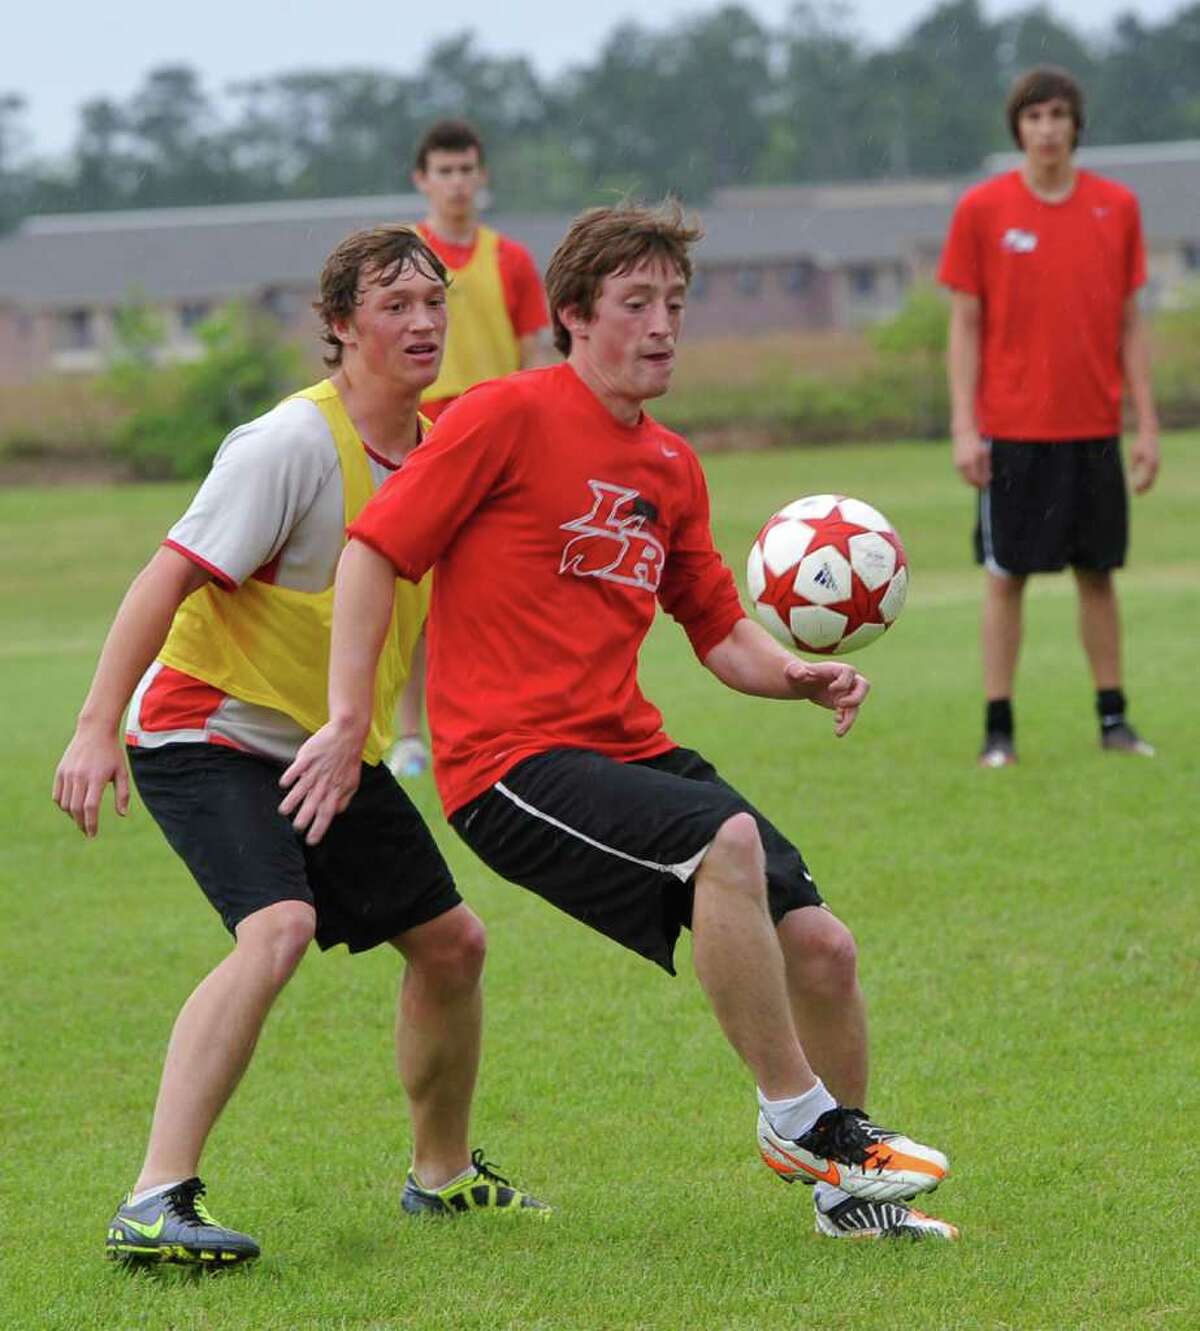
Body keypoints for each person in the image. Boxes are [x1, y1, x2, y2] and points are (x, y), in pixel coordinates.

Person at [280, 202, 959, 1242]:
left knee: (823, 946)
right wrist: (342, 716)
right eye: (635, 303)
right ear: (573, 316)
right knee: (719, 840)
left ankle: (848, 1197)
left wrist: (797, 675)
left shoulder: (672, 467)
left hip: (621, 742)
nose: (661, 326)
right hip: (505, 762)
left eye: (675, 305)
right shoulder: (502, 415)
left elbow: (721, 631)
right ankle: (796, 1117)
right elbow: (375, 549)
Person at [52, 225, 546, 1268]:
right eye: (393, 305)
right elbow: (166, 578)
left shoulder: (441, 446)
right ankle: (154, 1196)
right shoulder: (287, 444)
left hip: (324, 746)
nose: (421, 323)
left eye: (433, 303)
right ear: (338, 325)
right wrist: (96, 725)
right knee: (276, 925)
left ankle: (442, 1177)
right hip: (205, 726)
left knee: (454, 944)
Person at [940, 65, 1160, 768]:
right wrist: (965, 426)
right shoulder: (982, 210)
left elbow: (1130, 324)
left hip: (1094, 428)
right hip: (1011, 431)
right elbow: (965, 326)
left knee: (1098, 575)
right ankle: (998, 728)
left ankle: (1114, 718)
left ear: (1075, 126)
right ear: (1018, 128)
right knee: (1007, 577)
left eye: (1059, 115)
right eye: (1034, 117)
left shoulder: (1116, 207)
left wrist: (1146, 424)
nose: (1047, 129)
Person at [389, 119, 555, 780]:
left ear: (482, 177)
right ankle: (407, 734)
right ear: (422, 180)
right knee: (412, 590)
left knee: (505, 584)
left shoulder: (509, 258)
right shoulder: (404, 254)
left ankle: (514, 721)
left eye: (467, 170)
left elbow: (536, 353)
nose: (457, 183)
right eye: (445, 171)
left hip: (498, 438)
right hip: (422, 434)